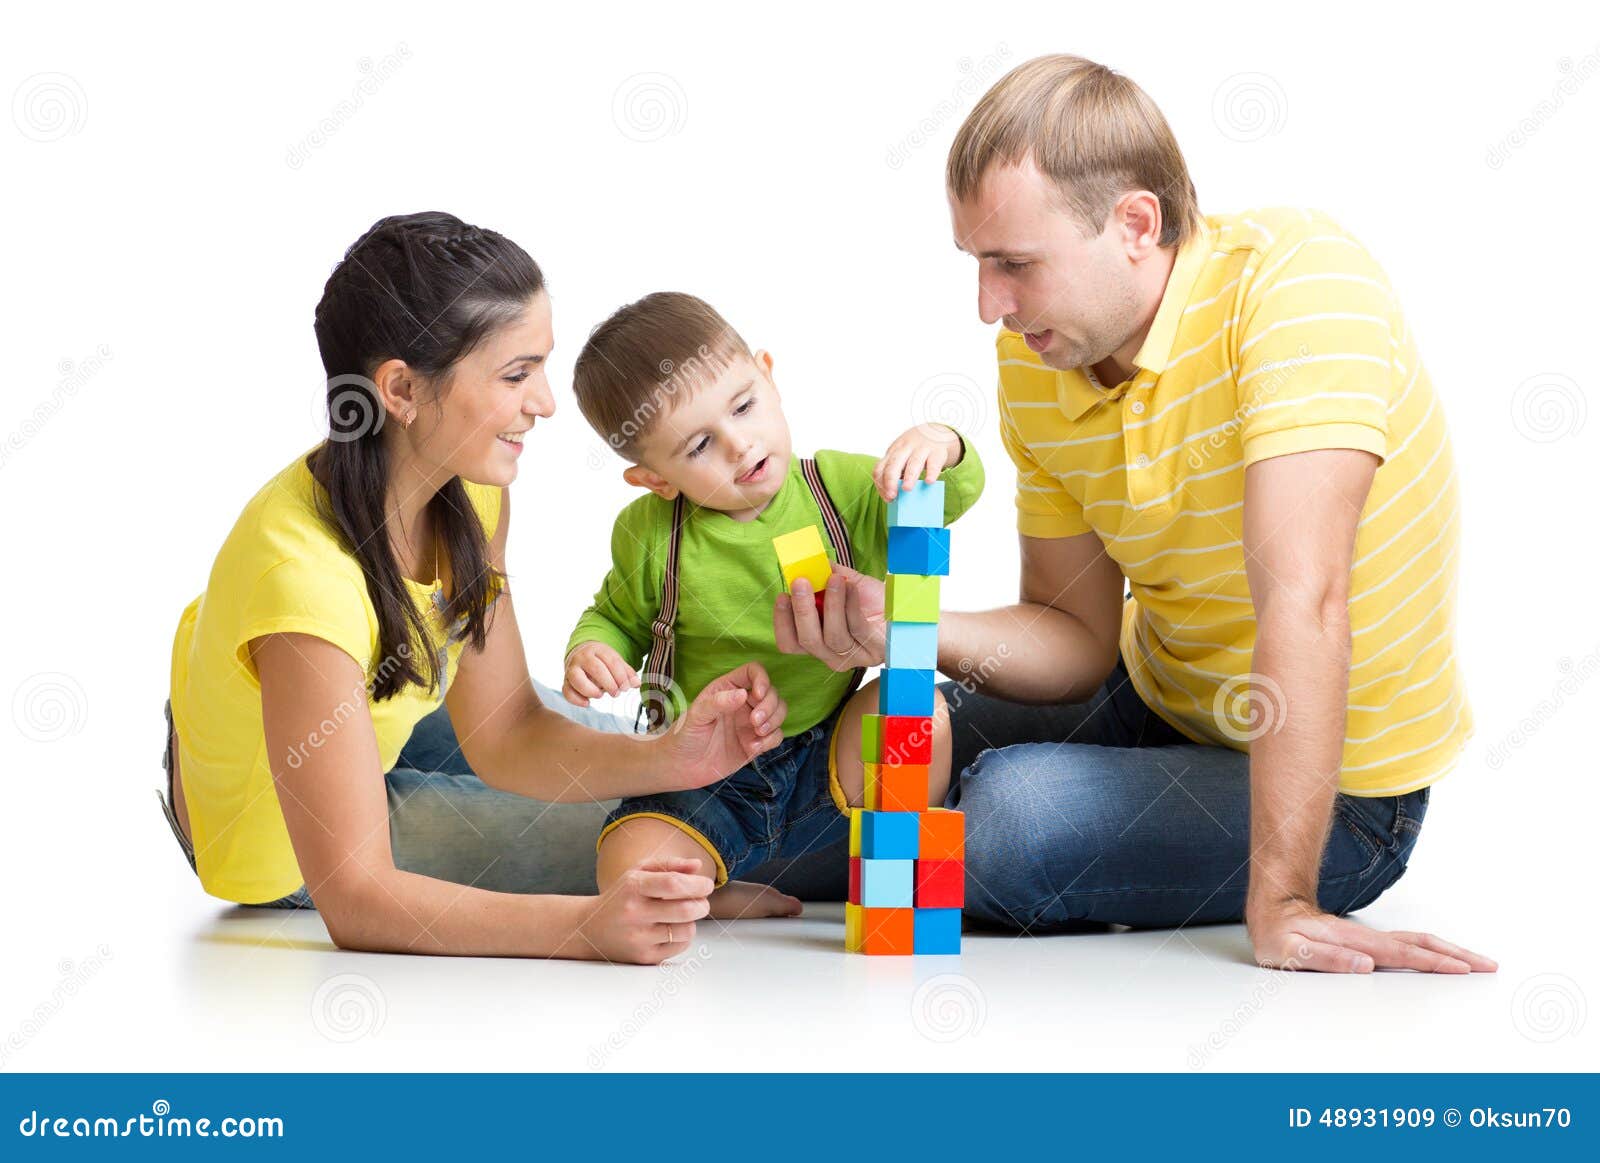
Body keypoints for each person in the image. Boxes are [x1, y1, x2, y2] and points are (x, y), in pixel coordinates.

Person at [774, 55, 1497, 975]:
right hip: (1154, 700)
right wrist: (901, 625)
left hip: (1347, 795)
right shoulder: (1039, 359)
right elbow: (1075, 637)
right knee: (882, 735)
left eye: (1015, 264)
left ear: (1135, 223)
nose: (989, 306)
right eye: (979, 263)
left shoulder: (1301, 288)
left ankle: (804, 849)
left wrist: (1283, 900)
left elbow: (1303, 602)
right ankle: (632, 823)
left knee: (1013, 816)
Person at [161, 212, 795, 964]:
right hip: (266, 820)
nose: (548, 402)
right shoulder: (302, 586)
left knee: (692, 782)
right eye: (516, 374)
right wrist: (585, 928)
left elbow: (508, 734)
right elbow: (359, 898)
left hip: (377, 699)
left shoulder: (469, 490)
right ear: (400, 388)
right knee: (674, 836)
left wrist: (675, 759)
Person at [562, 292, 984, 909]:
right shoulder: (652, 535)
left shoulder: (840, 489)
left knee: (918, 709)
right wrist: (592, 649)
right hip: (705, 775)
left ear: (768, 374)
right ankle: (714, 886)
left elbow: (952, 494)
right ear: (655, 480)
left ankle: (895, 881)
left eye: (743, 406)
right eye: (699, 446)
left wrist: (943, 444)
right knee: (629, 869)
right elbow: (616, 616)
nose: (738, 444)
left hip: (829, 763)